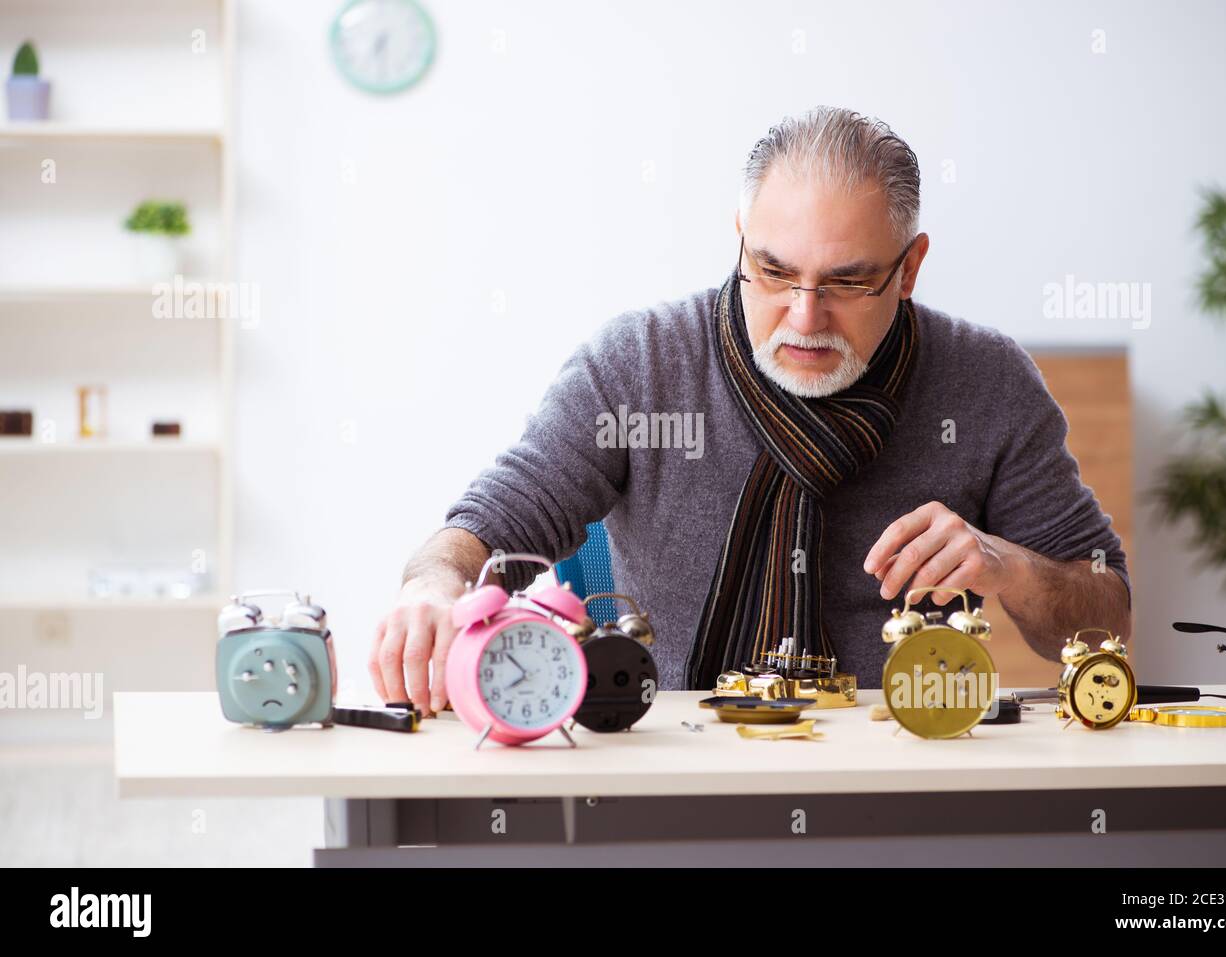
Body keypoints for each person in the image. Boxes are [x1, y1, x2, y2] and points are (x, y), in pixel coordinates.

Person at [370, 106, 1130, 716]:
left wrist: (1009, 566)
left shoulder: (988, 381)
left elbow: (1106, 617)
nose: (804, 317)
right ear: (740, 240)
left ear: (910, 269)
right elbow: (487, 526)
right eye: (771, 271)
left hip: (903, 767)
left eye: (847, 282)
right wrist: (431, 587)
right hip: (677, 768)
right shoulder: (639, 363)